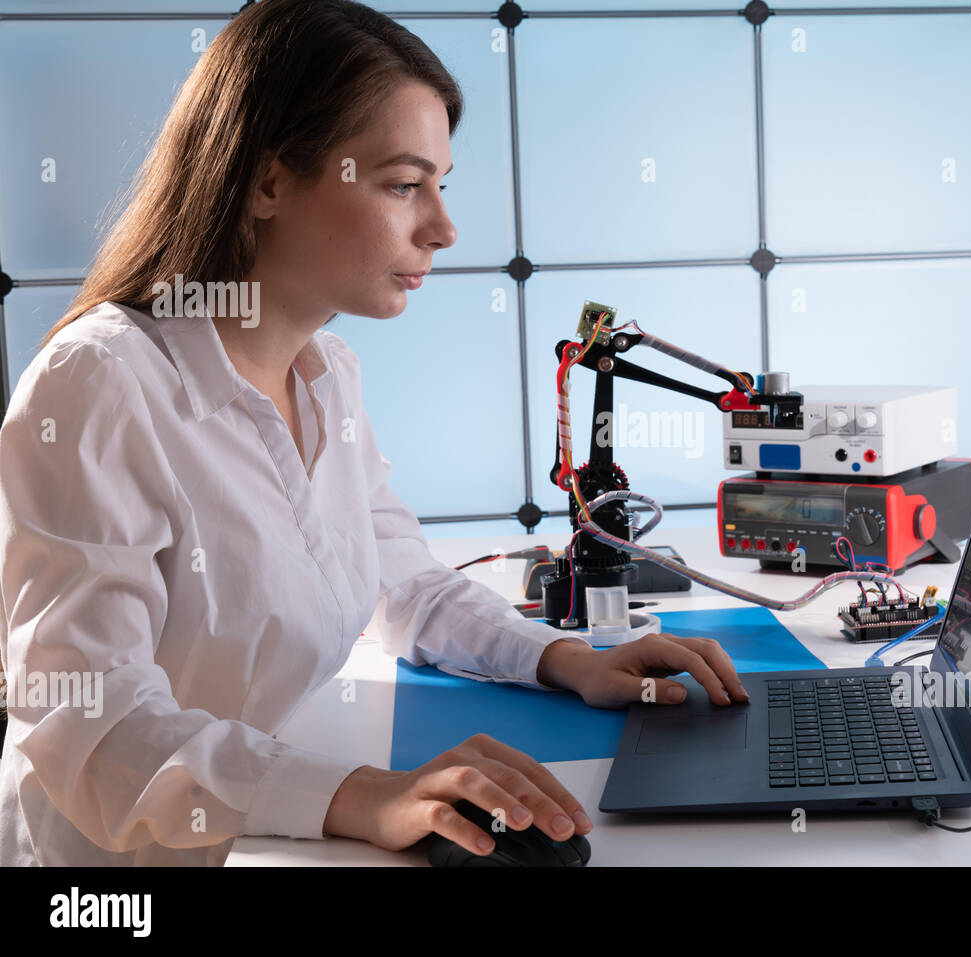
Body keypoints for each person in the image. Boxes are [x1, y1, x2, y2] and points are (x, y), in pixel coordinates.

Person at [0, 0, 748, 867]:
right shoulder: (101, 382)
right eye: (402, 185)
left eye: (441, 185)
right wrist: (364, 794)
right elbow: (91, 721)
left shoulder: (329, 375)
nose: (443, 227)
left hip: (273, 842)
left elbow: (407, 585)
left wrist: (570, 660)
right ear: (270, 180)